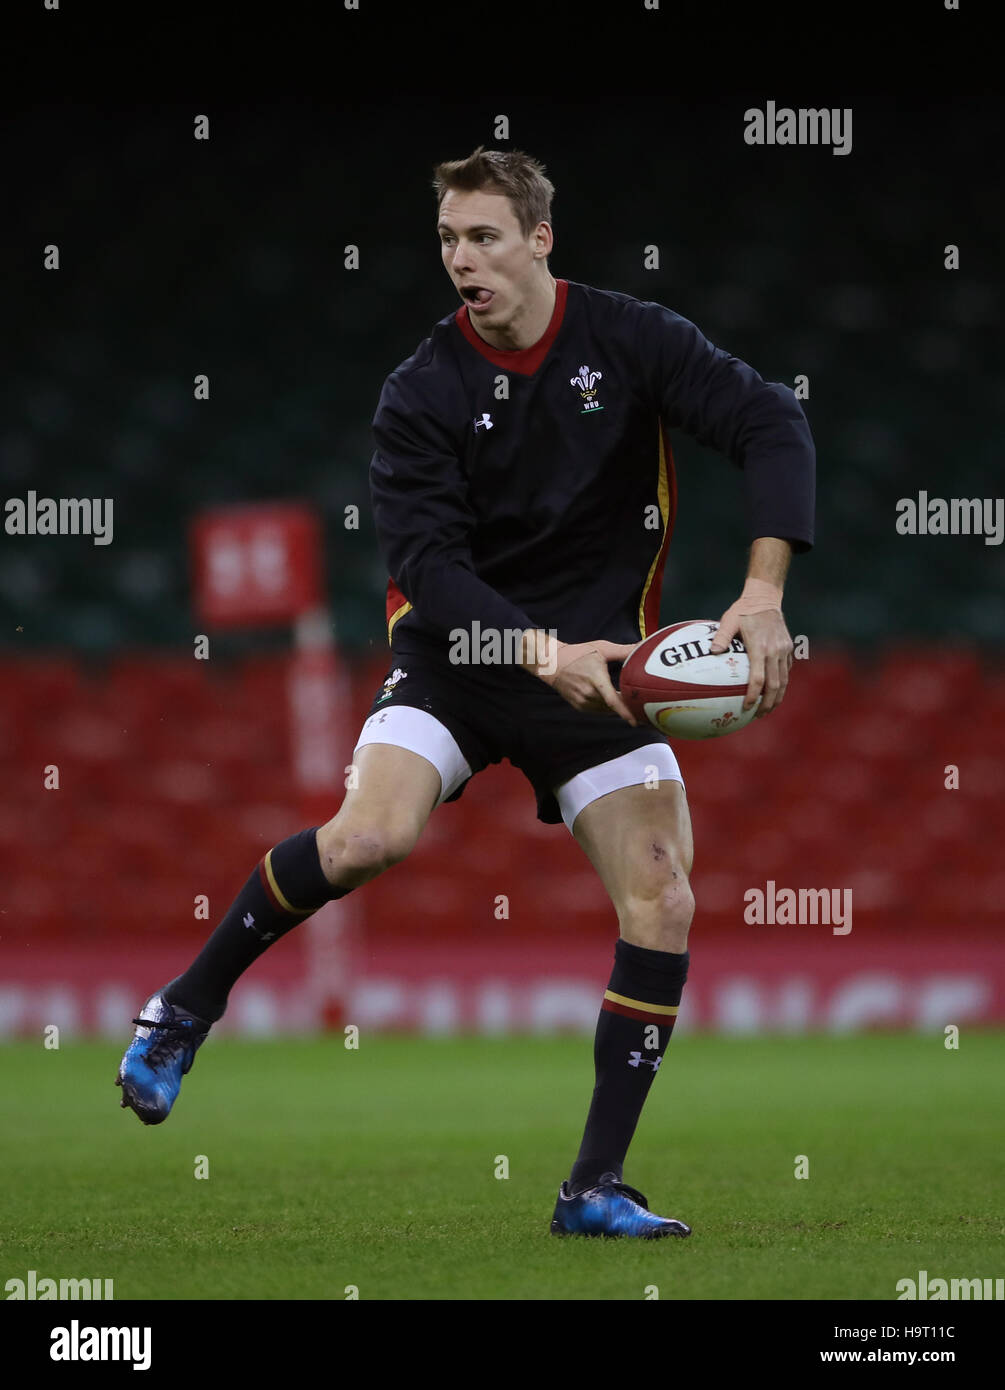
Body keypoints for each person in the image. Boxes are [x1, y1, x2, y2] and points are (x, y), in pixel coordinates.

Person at [117, 145, 815, 1239]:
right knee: (366, 840)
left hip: (600, 674)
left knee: (664, 893)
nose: (461, 260)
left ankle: (593, 1189)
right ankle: (182, 1009)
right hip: (462, 656)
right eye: (447, 239)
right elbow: (430, 574)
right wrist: (543, 652)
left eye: (483, 236)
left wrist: (764, 592)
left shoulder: (632, 338)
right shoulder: (421, 392)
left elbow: (771, 419)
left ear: (540, 239)